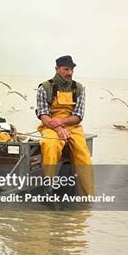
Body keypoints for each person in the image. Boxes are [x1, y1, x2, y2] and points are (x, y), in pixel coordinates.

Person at [35, 55, 94, 196]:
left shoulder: (79, 88)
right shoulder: (44, 88)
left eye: (72, 69)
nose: (70, 73)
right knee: (50, 145)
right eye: (66, 69)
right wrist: (58, 128)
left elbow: (78, 116)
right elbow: (43, 115)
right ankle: (48, 189)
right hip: (50, 126)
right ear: (57, 69)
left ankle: (87, 197)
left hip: (73, 127)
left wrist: (61, 122)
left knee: (83, 156)